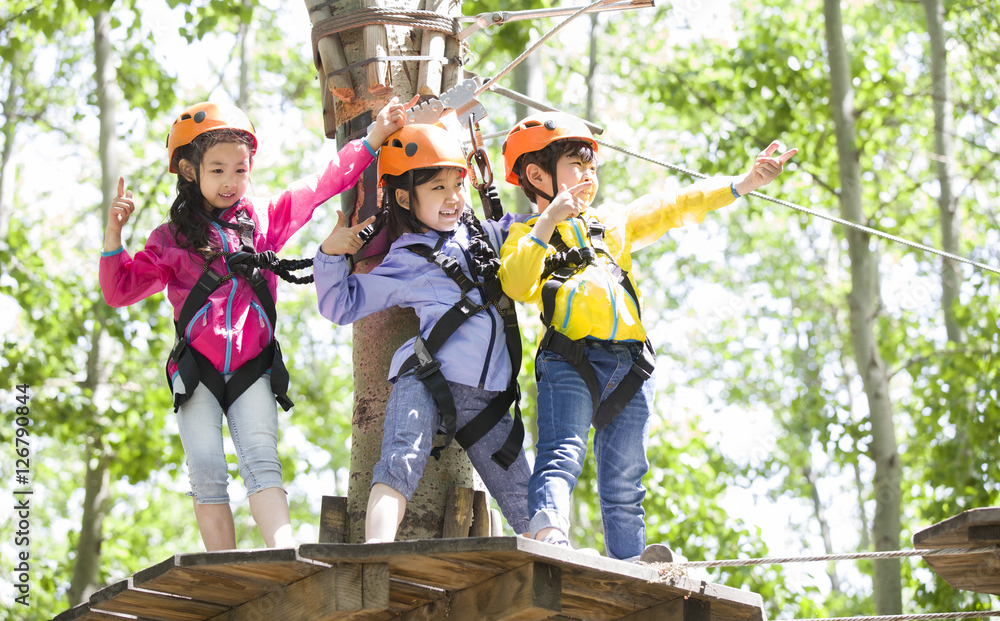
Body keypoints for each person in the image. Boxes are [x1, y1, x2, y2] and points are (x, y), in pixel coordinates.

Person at [100, 98, 408, 551]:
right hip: (197, 371)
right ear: (190, 172)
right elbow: (119, 289)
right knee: (205, 467)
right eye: (218, 170)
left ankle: (284, 554)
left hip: (252, 367)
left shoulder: (262, 222)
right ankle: (222, 564)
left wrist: (374, 140)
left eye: (240, 170)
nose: (230, 181)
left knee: (263, 462)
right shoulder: (170, 241)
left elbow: (319, 186)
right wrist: (113, 236)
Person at [498, 111, 796, 561]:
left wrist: (744, 181)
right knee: (562, 452)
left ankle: (630, 560)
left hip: (631, 366)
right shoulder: (524, 235)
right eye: (577, 166)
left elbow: (676, 204)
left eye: (592, 168)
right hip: (569, 360)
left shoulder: (612, 223)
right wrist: (549, 222)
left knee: (626, 477)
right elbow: (517, 284)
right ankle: (549, 534)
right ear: (537, 175)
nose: (588, 177)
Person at [313, 122, 532, 542]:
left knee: (523, 491)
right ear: (403, 197)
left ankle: (554, 549)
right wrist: (329, 256)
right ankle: (376, 548)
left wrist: (563, 217)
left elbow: (532, 230)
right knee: (400, 459)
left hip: (485, 398)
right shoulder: (409, 258)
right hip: (427, 379)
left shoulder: (488, 237)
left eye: (458, 185)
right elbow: (342, 305)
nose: (453, 198)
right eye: (437, 188)